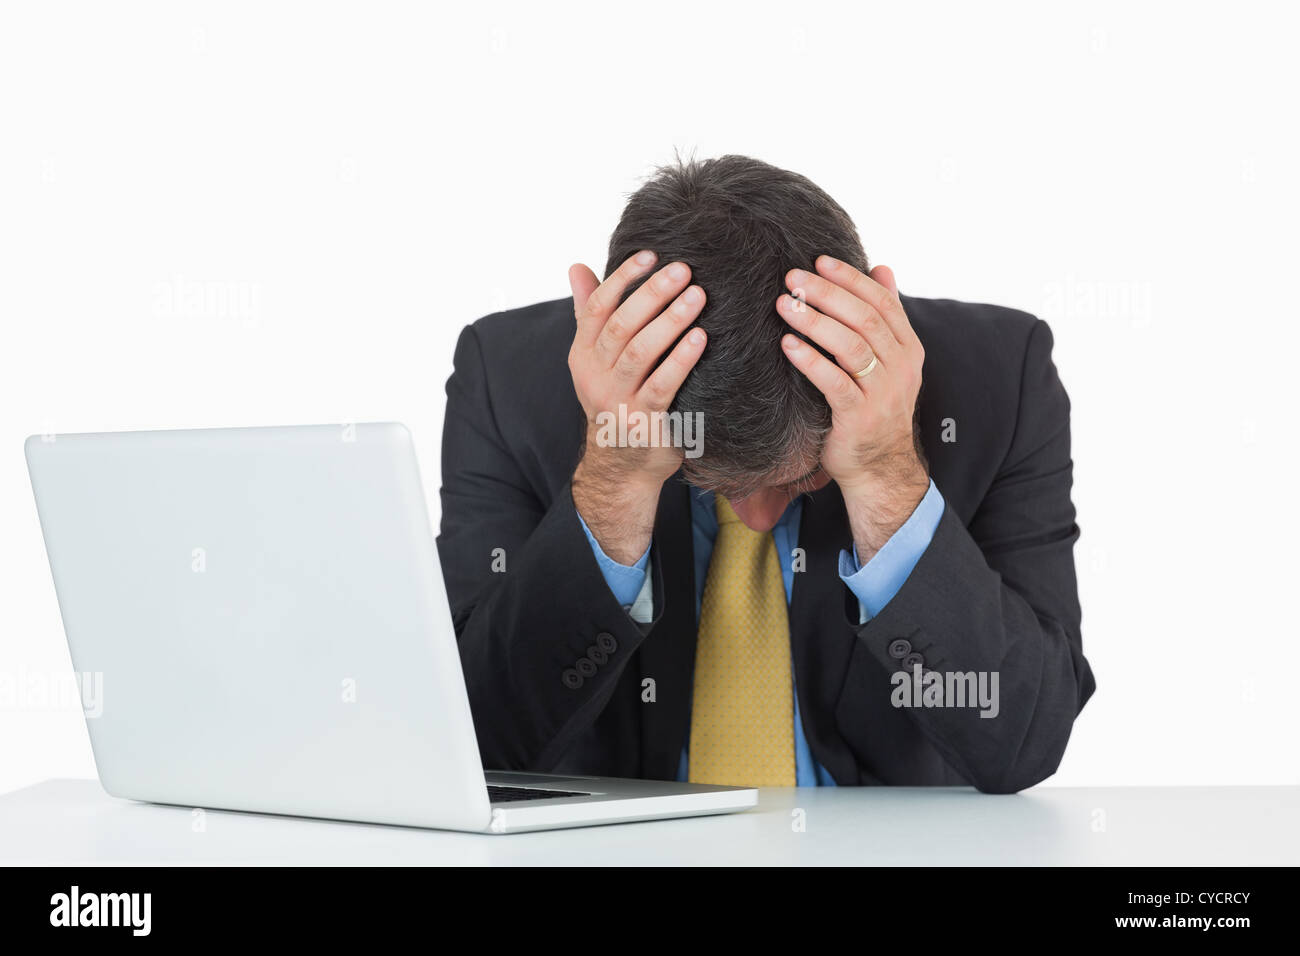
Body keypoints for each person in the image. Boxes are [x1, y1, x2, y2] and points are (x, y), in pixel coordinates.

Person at [437, 155, 1095, 793]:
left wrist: (885, 473)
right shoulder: (507, 383)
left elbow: (1023, 743)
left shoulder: (1000, 378)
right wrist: (615, 481)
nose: (756, 516)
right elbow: (472, 747)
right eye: (711, 485)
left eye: (804, 478)